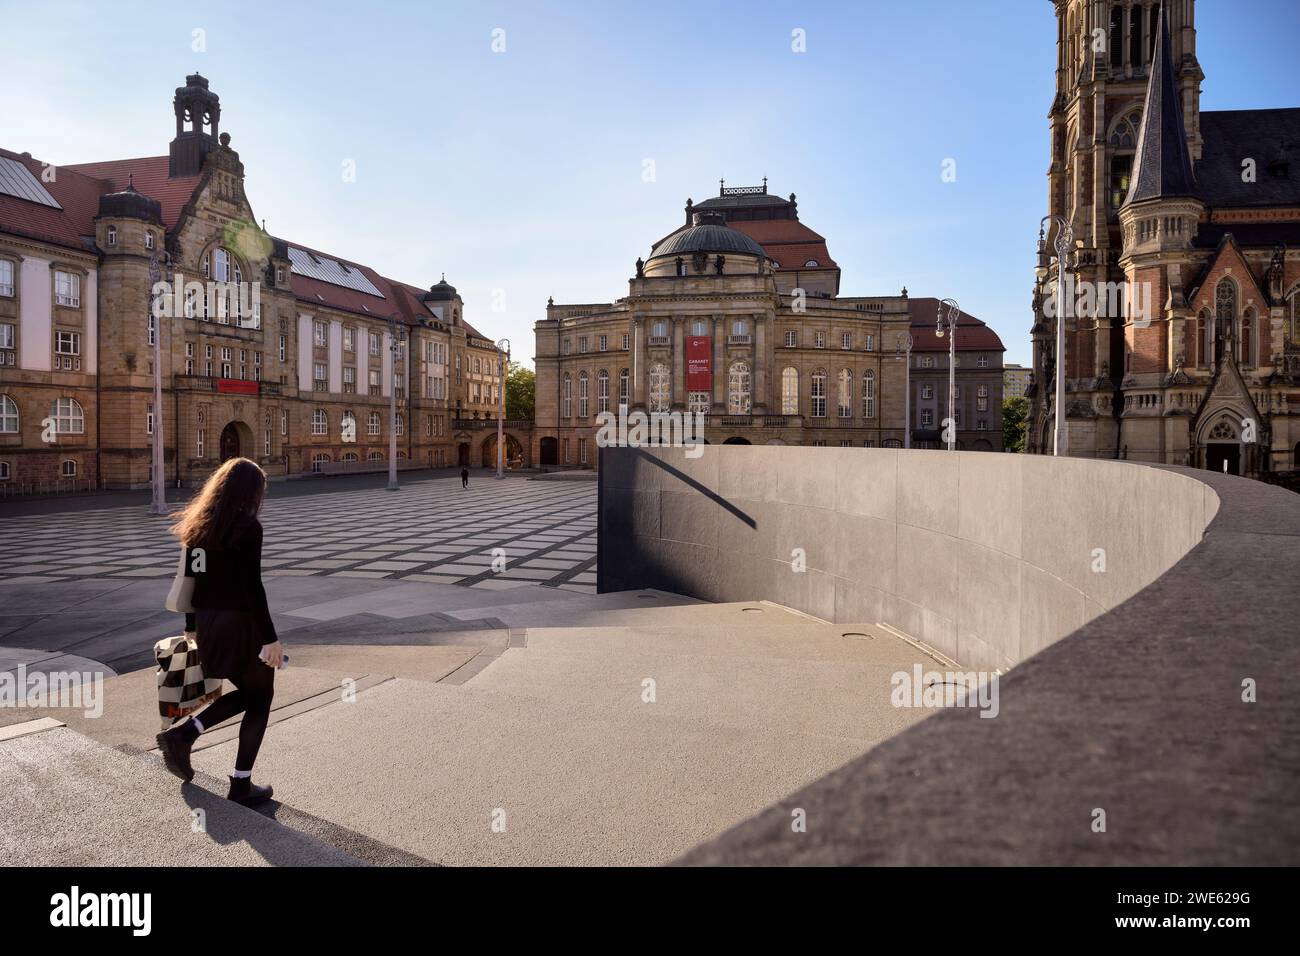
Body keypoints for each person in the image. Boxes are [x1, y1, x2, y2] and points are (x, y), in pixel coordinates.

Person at [156, 457, 283, 807]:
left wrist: (192, 625)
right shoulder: (248, 528)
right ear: (250, 492)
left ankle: (185, 735)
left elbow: (194, 579)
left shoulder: (199, 527)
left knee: (252, 694)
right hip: (240, 623)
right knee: (262, 698)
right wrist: (270, 638)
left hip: (210, 622)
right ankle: (239, 783)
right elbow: (252, 587)